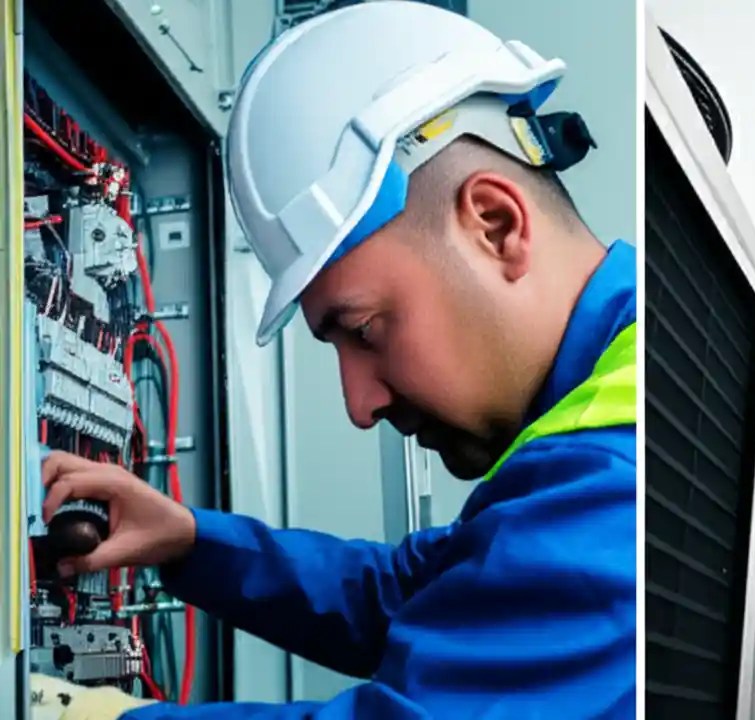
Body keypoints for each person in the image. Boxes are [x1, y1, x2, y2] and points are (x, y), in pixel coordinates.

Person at [32, 2, 637, 718]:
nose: (359, 405)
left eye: (365, 329)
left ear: (496, 226)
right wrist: (191, 541)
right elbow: (420, 593)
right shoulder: (605, 412)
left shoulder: (610, 484)